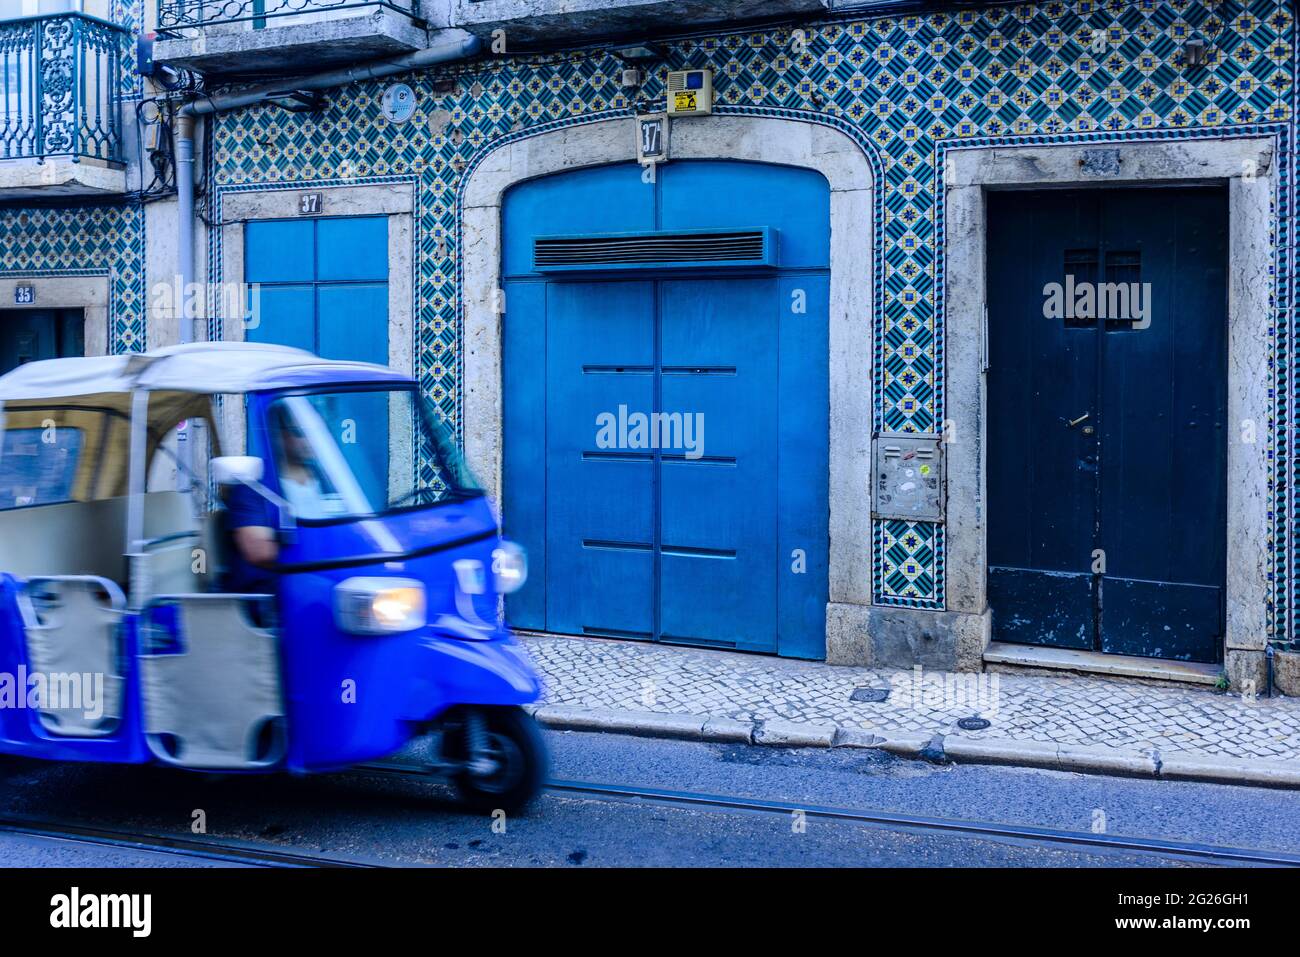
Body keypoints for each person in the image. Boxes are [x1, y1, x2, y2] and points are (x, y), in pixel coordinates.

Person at [220, 404, 330, 593]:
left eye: (316, 432)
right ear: (279, 435)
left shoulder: (325, 479)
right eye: (300, 432)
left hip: (318, 577)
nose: (311, 440)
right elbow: (260, 552)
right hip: (268, 593)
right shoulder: (252, 484)